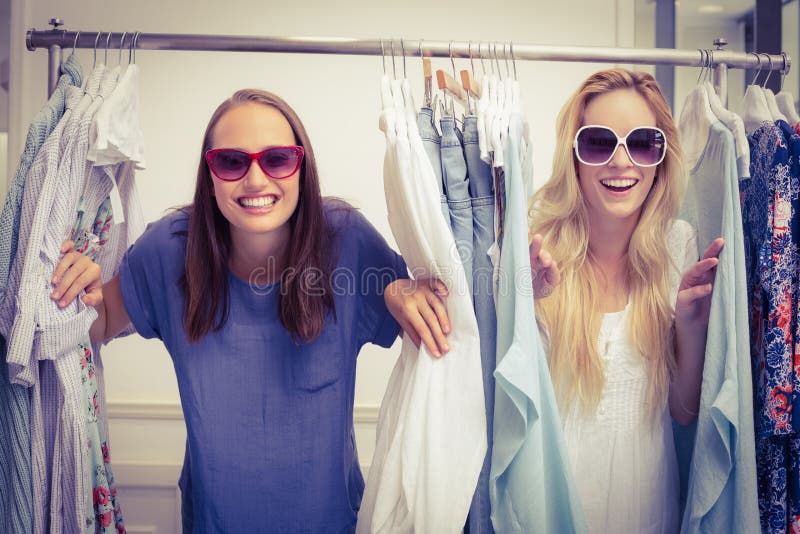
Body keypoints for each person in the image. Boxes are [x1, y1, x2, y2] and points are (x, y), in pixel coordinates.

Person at [49, 89, 451, 533]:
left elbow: (440, 317)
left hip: (330, 521)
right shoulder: (167, 250)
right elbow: (99, 322)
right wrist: (83, 287)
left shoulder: (346, 241)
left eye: (277, 159)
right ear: (211, 174)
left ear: (302, 167)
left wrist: (399, 289)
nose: (256, 180)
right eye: (232, 162)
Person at [526, 68, 723, 533]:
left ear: (661, 158)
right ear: (573, 157)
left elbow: (681, 411)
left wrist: (691, 328)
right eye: (598, 142)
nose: (621, 162)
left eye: (641, 143)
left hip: (646, 509)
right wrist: (525, 305)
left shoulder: (678, 245)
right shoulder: (531, 251)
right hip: (553, 509)